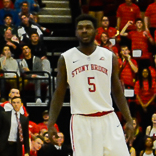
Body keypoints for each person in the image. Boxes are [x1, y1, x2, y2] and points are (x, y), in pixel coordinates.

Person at [48, 13, 134, 156]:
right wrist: (51, 123)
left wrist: (129, 119)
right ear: (76, 32)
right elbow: (59, 92)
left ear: (96, 31)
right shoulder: (66, 58)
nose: (84, 30)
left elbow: (117, 91)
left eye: (88, 27)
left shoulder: (109, 56)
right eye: (80, 28)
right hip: (82, 121)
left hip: (108, 118)